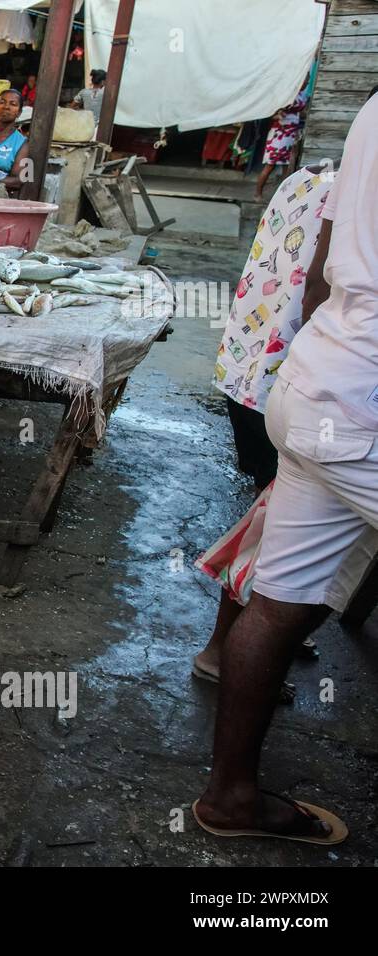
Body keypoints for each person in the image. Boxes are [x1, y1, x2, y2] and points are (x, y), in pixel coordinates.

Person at [192, 94, 378, 847]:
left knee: (279, 601)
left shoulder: (370, 110)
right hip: (362, 409)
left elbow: (321, 274)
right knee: (280, 602)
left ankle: (231, 797)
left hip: (322, 379)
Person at [194, 162, 336, 701]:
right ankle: (232, 649)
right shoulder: (348, 197)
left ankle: (270, 627)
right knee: (278, 525)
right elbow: (320, 287)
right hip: (293, 381)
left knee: (274, 516)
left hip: (252, 372)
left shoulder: (307, 177)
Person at [256, 81, 310, 201]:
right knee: (270, 165)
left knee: (288, 167)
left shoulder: (302, 95)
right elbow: (269, 113)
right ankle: (258, 194)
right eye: (305, 79)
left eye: (308, 79)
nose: (307, 82)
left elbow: (302, 112)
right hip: (279, 133)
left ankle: (283, 197)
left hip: (292, 133)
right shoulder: (285, 93)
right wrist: (278, 115)